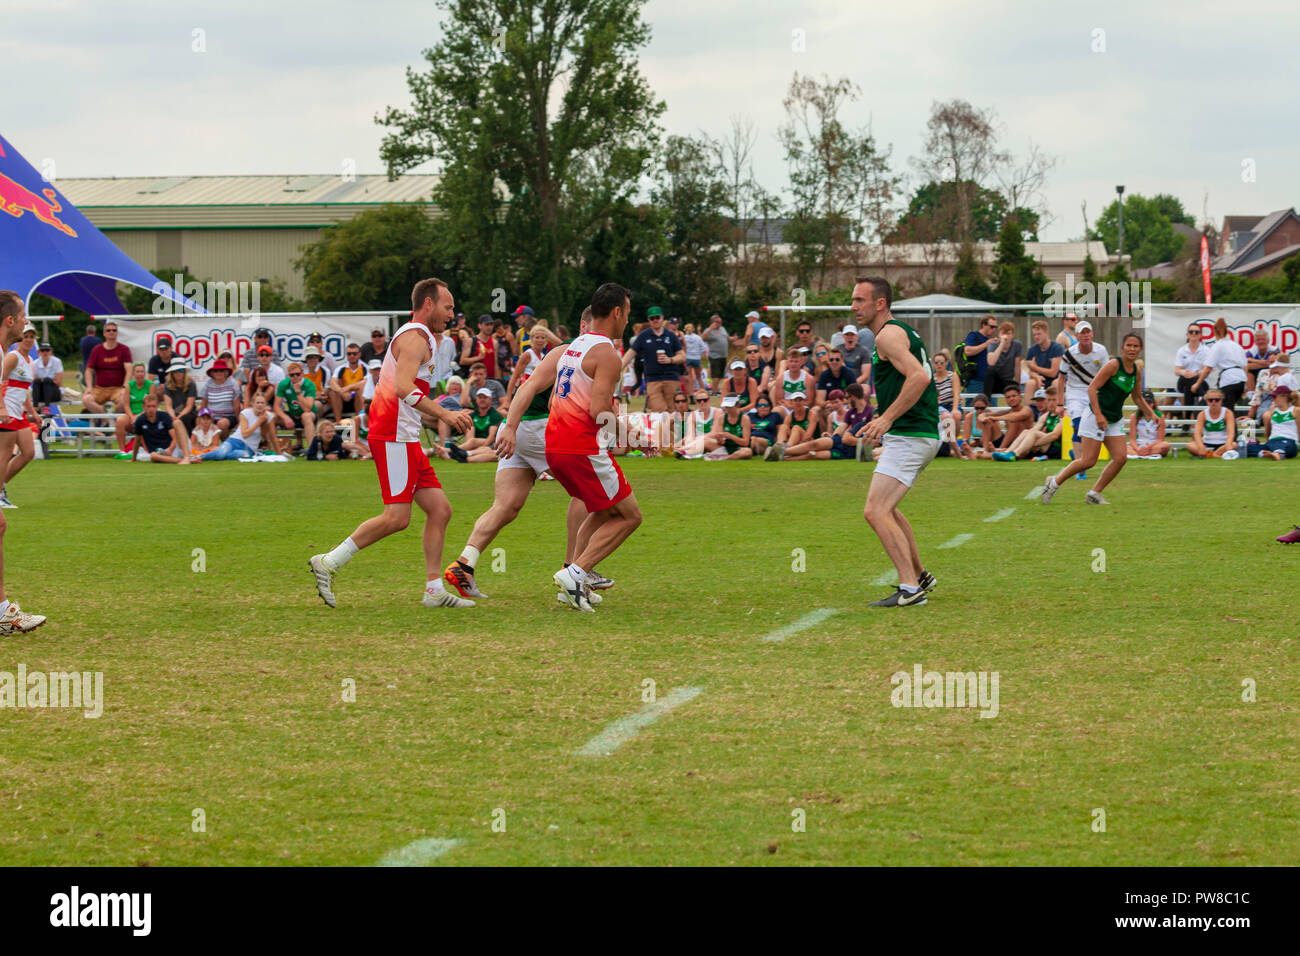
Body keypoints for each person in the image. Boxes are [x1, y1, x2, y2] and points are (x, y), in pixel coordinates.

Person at [309, 278, 475, 610]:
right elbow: (402, 388)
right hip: (393, 436)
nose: (452, 314)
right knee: (397, 518)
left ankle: (433, 591)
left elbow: (409, 395)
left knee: (440, 510)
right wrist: (445, 413)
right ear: (428, 305)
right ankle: (328, 562)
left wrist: (440, 416)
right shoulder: (415, 338)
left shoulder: (417, 336)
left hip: (405, 436)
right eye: (448, 307)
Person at [446, 307, 609, 601]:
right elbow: (547, 399)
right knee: (587, 492)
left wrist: (510, 425)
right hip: (537, 429)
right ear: (584, 326)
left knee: (506, 506)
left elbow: (528, 385)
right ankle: (574, 572)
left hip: (521, 429)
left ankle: (464, 564)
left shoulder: (565, 351)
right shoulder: (577, 352)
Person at [547, 283, 642, 611]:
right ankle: (575, 573)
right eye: (627, 313)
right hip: (580, 446)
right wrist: (633, 437)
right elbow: (598, 410)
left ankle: (573, 581)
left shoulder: (574, 346)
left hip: (555, 444)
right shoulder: (607, 353)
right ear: (617, 312)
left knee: (602, 509)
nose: (627, 321)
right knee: (630, 516)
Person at [852, 277, 941, 607]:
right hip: (914, 433)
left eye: (860, 300)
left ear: (880, 304)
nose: (853, 306)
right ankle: (918, 575)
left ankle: (910, 589)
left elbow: (920, 377)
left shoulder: (888, 335)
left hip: (912, 433)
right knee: (887, 508)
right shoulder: (895, 333)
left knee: (875, 511)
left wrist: (887, 419)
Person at [1042, 333, 1156, 504]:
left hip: (1114, 418)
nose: (1132, 349)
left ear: (1140, 349)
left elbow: (1138, 397)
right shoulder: (1113, 365)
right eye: (1129, 345)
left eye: (1136, 346)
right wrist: (1098, 415)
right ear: (1122, 348)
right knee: (1088, 461)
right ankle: (1053, 483)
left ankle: (1094, 493)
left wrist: (1152, 414)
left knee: (1120, 458)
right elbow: (1092, 388)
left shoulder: (1136, 372)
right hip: (1095, 415)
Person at [0, 292, 46, 633]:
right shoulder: (7, 356)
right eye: (24, 316)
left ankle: (2, 611)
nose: (27, 322)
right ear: (10, 320)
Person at [1060, 320, 1110, 478]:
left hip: (1095, 392)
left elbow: (1108, 374)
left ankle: (1079, 456)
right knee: (1077, 425)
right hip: (1075, 393)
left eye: (1088, 332)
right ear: (1076, 336)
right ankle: (1080, 469)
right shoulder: (1069, 354)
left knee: (1090, 429)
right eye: (1082, 333)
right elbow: (1061, 378)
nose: (1085, 335)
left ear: (1092, 334)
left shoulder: (1101, 351)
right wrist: (1059, 403)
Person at [0, 326, 38, 508]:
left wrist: (33, 413)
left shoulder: (30, 360)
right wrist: (2, 408)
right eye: (26, 336)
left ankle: (2, 486)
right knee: (5, 453)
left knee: (29, 452)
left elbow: (24, 391)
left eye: (32, 336)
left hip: (19, 413)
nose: (29, 339)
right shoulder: (12, 357)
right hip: (6, 411)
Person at [622, 306, 684, 412]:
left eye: (657, 317)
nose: (655, 320)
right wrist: (617, 368)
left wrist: (670, 360)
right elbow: (630, 353)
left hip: (671, 378)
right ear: (649, 320)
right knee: (659, 411)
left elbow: (682, 356)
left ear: (662, 318)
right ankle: (665, 427)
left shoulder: (671, 335)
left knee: (674, 411)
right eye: (652, 318)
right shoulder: (643, 336)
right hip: (652, 380)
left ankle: (677, 428)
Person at [201, 391, 277, 460]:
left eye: (262, 403)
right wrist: (259, 421)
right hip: (235, 441)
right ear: (252, 403)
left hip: (249, 448)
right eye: (258, 402)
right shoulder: (245, 413)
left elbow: (273, 437)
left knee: (244, 455)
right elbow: (245, 434)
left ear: (265, 404)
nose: (260, 405)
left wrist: (279, 453)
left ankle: (217, 453)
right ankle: (198, 457)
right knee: (220, 454)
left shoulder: (269, 416)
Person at [1194, 317, 1248, 410]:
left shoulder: (1217, 346)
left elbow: (1207, 368)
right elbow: (1245, 366)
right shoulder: (1236, 345)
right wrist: (1245, 384)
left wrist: (1197, 384)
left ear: (1215, 331)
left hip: (1229, 380)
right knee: (1228, 410)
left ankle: (1230, 424)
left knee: (1227, 412)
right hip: (1241, 381)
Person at [81, 321, 132, 414]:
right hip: (99, 389)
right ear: (104, 333)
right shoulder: (97, 349)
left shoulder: (124, 349)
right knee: (86, 399)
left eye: (114, 330)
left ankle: (116, 422)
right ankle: (106, 421)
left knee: (124, 400)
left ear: (117, 333)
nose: (111, 332)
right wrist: (89, 387)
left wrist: (125, 387)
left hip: (118, 388)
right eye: (108, 330)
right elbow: (88, 370)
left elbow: (129, 370)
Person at [130, 393, 190, 464]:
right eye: (148, 406)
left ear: (157, 406)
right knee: (153, 456)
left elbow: (175, 438)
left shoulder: (164, 416)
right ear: (143, 407)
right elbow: (137, 441)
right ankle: (186, 460)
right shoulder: (140, 420)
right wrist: (133, 459)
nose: (151, 409)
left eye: (153, 406)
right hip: (159, 453)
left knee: (177, 422)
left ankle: (186, 457)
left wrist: (170, 450)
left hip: (176, 448)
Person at [449, 387, 505, 463]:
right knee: (474, 442)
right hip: (475, 444)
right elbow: (469, 435)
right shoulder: (473, 414)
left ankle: (454, 452)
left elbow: (491, 436)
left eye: (485, 397)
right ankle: (461, 453)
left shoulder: (495, 414)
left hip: (489, 443)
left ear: (490, 399)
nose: (482, 400)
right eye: (480, 397)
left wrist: (482, 447)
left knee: (489, 451)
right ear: (476, 399)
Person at [1004, 393, 1065, 461]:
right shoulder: (1046, 415)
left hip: (1060, 448)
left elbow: (1054, 436)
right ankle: (1007, 453)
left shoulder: (1065, 414)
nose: (1051, 403)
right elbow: (1033, 430)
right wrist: (1029, 441)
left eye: (1054, 400)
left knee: (1034, 434)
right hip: (1048, 446)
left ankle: (1015, 454)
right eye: (1049, 400)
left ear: (1060, 401)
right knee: (1026, 431)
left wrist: (1033, 444)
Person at [979, 383, 1033, 458]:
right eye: (1008, 397)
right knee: (987, 421)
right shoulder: (1007, 411)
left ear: (1020, 397)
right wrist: (984, 419)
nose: (1011, 399)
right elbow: (982, 415)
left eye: (1014, 396)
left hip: (1022, 444)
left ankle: (994, 452)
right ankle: (986, 450)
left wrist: (996, 418)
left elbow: (1019, 416)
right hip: (1008, 442)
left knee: (1014, 421)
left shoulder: (1027, 409)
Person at [112, 363, 155, 453]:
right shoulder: (129, 386)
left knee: (140, 421)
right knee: (120, 421)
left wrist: (139, 415)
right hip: (131, 415)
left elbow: (152, 404)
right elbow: (126, 405)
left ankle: (147, 450)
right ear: (133, 374)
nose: (140, 374)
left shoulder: (150, 385)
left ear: (145, 373)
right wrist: (132, 416)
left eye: (142, 371)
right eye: (137, 371)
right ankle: (122, 451)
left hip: (146, 414)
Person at [1248, 386, 1299, 460]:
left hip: (1288, 440)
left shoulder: (1295, 410)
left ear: (1284, 397)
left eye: (1275, 397)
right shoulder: (1273, 409)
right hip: (1272, 441)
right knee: (1249, 447)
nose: (1273, 399)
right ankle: (1271, 453)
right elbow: (1268, 431)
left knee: (1283, 445)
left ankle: (1276, 454)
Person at [1185, 389, 1238, 458]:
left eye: (1217, 400)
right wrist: (1201, 446)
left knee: (1234, 445)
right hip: (1207, 443)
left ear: (1221, 401)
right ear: (1207, 401)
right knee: (1190, 446)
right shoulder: (1202, 414)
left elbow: (1231, 432)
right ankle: (1217, 455)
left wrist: (1228, 444)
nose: (1213, 402)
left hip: (1223, 444)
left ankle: (1210, 455)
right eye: (1210, 400)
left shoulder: (1227, 413)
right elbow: (1197, 433)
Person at [766, 392, 819, 459]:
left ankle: (783, 450)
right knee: (783, 427)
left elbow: (808, 435)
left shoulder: (811, 414)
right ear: (791, 402)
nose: (798, 403)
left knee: (796, 428)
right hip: (796, 442)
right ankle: (779, 446)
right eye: (795, 400)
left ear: (804, 402)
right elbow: (785, 433)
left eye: (800, 400)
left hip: (811, 442)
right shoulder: (789, 417)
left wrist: (796, 444)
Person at [201, 360, 241, 438]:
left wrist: (239, 422)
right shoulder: (208, 384)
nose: (218, 372)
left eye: (221, 370)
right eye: (216, 370)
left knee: (221, 424)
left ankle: (224, 443)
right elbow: (203, 404)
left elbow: (236, 406)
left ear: (226, 372)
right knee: (199, 422)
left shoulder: (233, 383)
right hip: (211, 416)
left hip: (229, 416)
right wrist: (201, 418)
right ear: (212, 373)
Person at [1174, 323, 1211, 406]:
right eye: (1191, 332)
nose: (1194, 334)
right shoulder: (1181, 350)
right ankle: (1204, 395)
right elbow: (1176, 371)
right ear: (1187, 335)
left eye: (1196, 332)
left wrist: (1195, 374)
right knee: (1188, 380)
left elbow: (1207, 370)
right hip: (1185, 382)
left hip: (1201, 382)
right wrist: (1184, 372)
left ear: (1200, 335)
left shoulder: (1206, 350)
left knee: (1188, 386)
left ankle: (1188, 415)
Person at [1025, 320, 1064, 398]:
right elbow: (1031, 372)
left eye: (1039, 334)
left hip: (1056, 379)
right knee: (1030, 383)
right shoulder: (1031, 350)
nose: (1036, 337)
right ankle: (1030, 409)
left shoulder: (1057, 348)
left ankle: (1055, 409)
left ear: (1047, 333)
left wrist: (1034, 367)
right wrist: (1036, 377)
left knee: (1056, 383)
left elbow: (1053, 373)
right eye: (1034, 334)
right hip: (1041, 380)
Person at [1127, 389, 1171, 459]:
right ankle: (1143, 454)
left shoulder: (1160, 416)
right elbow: (1132, 439)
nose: (1147, 405)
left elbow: (1160, 439)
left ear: (1153, 403)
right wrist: (1138, 449)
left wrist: (1148, 447)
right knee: (1123, 447)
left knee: (1166, 445)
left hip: (1153, 445)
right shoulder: (1134, 416)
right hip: (1139, 444)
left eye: (1149, 403)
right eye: (1145, 403)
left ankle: (1140, 454)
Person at [329, 344, 368, 421]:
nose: (352, 356)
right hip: (344, 398)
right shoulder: (341, 368)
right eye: (349, 354)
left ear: (359, 354)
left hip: (359, 398)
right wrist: (342, 392)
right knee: (333, 392)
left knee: (359, 390)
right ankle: (338, 421)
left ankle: (359, 420)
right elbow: (332, 382)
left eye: (354, 354)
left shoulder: (365, 368)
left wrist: (348, 388)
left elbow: (365, 382)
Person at [984, 321, 1023, 398]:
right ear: (999, 335)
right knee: (989, 370)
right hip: (994, 382)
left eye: (1008, 334)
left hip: (1007, 381)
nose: (1006, 337)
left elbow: (1017, 367)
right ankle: (986, 401)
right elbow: (991, 363)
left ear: (1012, 335)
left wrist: (1019, 385)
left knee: (1014, 388)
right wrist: (1001, 344)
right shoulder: (993, 345)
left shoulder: (1017, 345)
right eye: (1003, 334)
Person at [962, 315, 998, 395]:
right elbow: (967, 351)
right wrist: (986, 344)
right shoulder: (974, 335)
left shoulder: (992, 340)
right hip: (976, 381)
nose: (994, 329)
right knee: (973, 406)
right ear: (983, 325)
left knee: (992, 406)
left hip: (990, 381)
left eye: (996, 327)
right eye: (992, 327)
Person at [773, 346, 816, 414]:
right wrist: (788, 405)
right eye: (791, 361)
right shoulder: (781, 378)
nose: (793, 364)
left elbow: (810, 402)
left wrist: (795, 406)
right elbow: (779, 400)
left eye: (796, 361)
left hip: (803, 407)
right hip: (787, 407)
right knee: (776, 411)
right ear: (787, 362)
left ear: (801, 362)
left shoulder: (808, 379)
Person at [161, 362, 199, 439]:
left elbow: (189, 406)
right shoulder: (167, 384)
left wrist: (178, 417)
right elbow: (168, 406)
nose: (178, 373)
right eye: (175, 371)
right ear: (171, 373)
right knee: (163, 420)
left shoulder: (191, 384)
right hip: (173, 413)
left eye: (181, 370)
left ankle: (188, 443)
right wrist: (173, 417)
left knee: (184, 419)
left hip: (189, 413)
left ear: (184, 371)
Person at [1244, 327, 1281, 393]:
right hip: (1255, 377)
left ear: (1268, 340)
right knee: (1248, 373)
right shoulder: (1251, 351)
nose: (1261, 341)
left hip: (1270, 375)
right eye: (1258, 340)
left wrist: (1253, 361)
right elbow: (1246, 366)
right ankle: (1251, 395)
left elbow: (1274, 364)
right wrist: (1265, 363)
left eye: (1263, 339)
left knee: (1276, 370)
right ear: (1255, 342)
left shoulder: (1274, 349)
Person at [32, 340, 64, 410]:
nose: (45, 352)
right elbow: (34, 381)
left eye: (47, 350)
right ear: (39, 352)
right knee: (38, 381)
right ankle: (35, 407)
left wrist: (45, 380)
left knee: (47, 381)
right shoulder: (35, 363)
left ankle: (46, 407)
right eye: (43, 350)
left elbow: (59, 383)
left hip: (54, 393)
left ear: (51, 352)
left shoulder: (57, 362)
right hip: (41, 393)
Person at [702, 314, 730, 392]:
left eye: (720, 322)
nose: (719, 323)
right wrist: (710, 328)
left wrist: (733, 338)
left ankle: (716, 390)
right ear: (712, 322)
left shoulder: (722, 329)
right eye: (717, 322)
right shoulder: (708, 330)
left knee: (721, 376)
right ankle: (714, 392)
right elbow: (702, 338)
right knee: (716, 376)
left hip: (723, 356)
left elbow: (727, 338)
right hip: (714, 356)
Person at [931, 349, 960, 417]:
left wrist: (954, 409)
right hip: (937, 407)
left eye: (942, 362)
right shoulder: (931, 378)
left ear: (946, 362)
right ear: (933, 363)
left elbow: (956, 394)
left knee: (956, 415)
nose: (939, 364)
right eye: (936, 362)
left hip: (951, 405)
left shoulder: (952, 376)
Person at [682, 323, 707, 394]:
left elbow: (681, 347)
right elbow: (703, 347)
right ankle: (704, 392)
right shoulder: (698, 337)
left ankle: (691, 392)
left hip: (688, 358)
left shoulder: (684, 337)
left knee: (690, 377)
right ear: (693, 329)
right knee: (698, 377)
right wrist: (699, 354)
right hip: (696, 359)